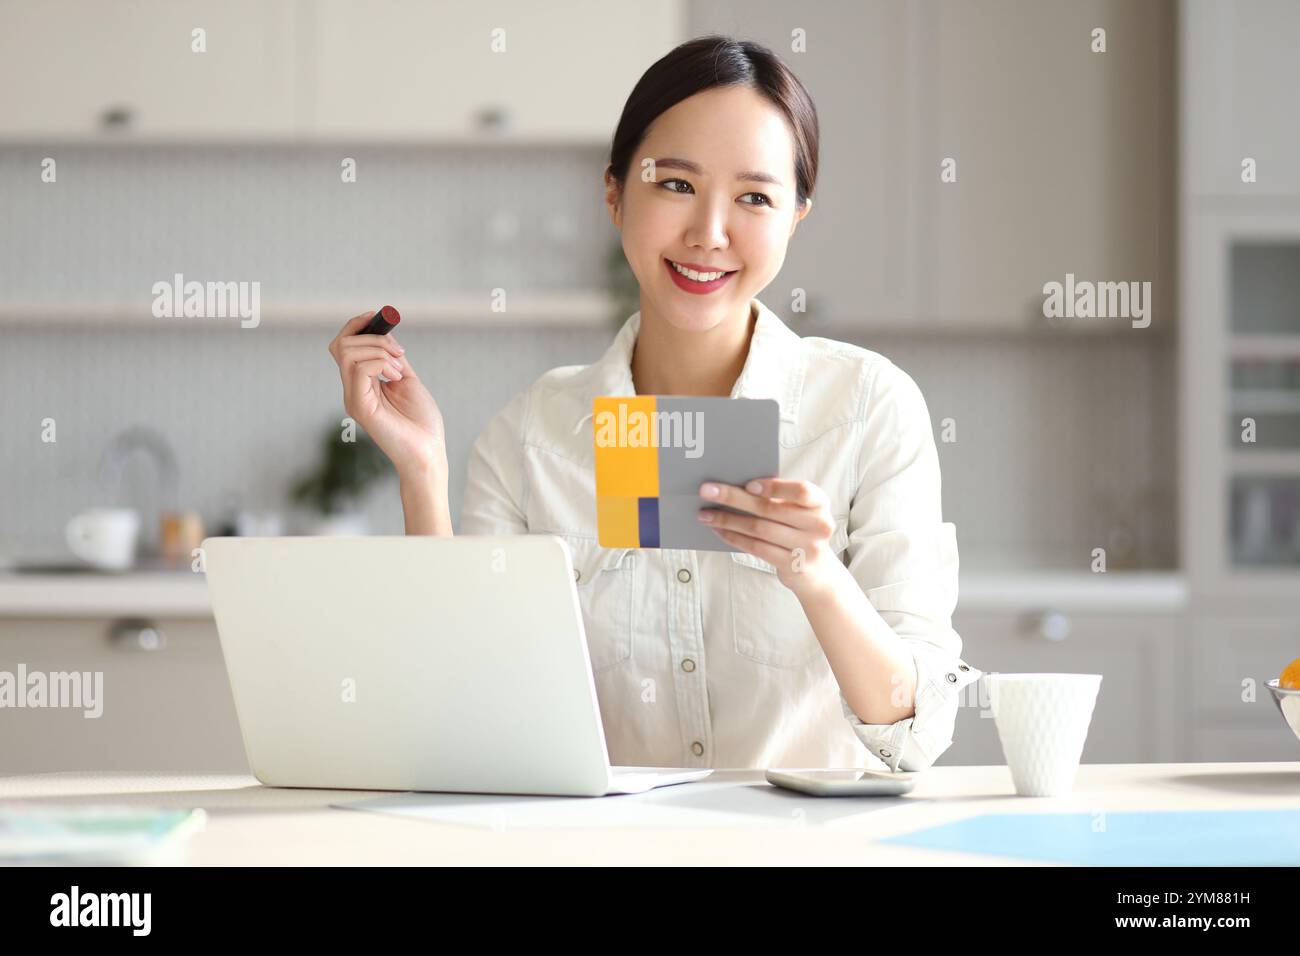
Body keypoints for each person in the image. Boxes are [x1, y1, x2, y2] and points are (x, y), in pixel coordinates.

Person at [328, 35, 981, 773]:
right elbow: (461, 713)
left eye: (755, 197)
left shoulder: (867, 410)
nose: (707, 234)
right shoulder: (531, 436)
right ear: (614, 193)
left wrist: (816, 572)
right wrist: (422, 470)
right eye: (674, 184)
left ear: (796, 215)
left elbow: (915, 733)